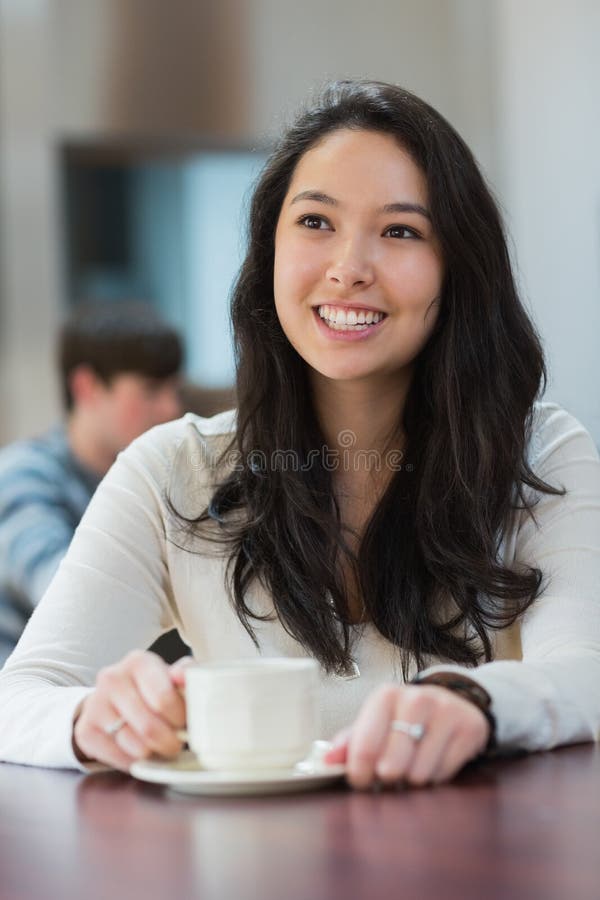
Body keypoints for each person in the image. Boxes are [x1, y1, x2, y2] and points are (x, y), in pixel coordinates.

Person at [0, 81, 598, 789]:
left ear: (457, 270)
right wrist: (91, 718)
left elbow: (586, 675)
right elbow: (20, 695)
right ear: (270, 250)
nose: (348, 268)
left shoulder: (537, 455)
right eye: (316, 222)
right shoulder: (174, 469)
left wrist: (476, 703)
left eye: (401, 230)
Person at [0, 301, 183, 665]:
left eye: (173, 390)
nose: (171, 409)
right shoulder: (23, 477)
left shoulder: (158, 477)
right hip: (26, 704)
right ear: (87, 387)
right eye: (150, 391)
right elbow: (67, 597)